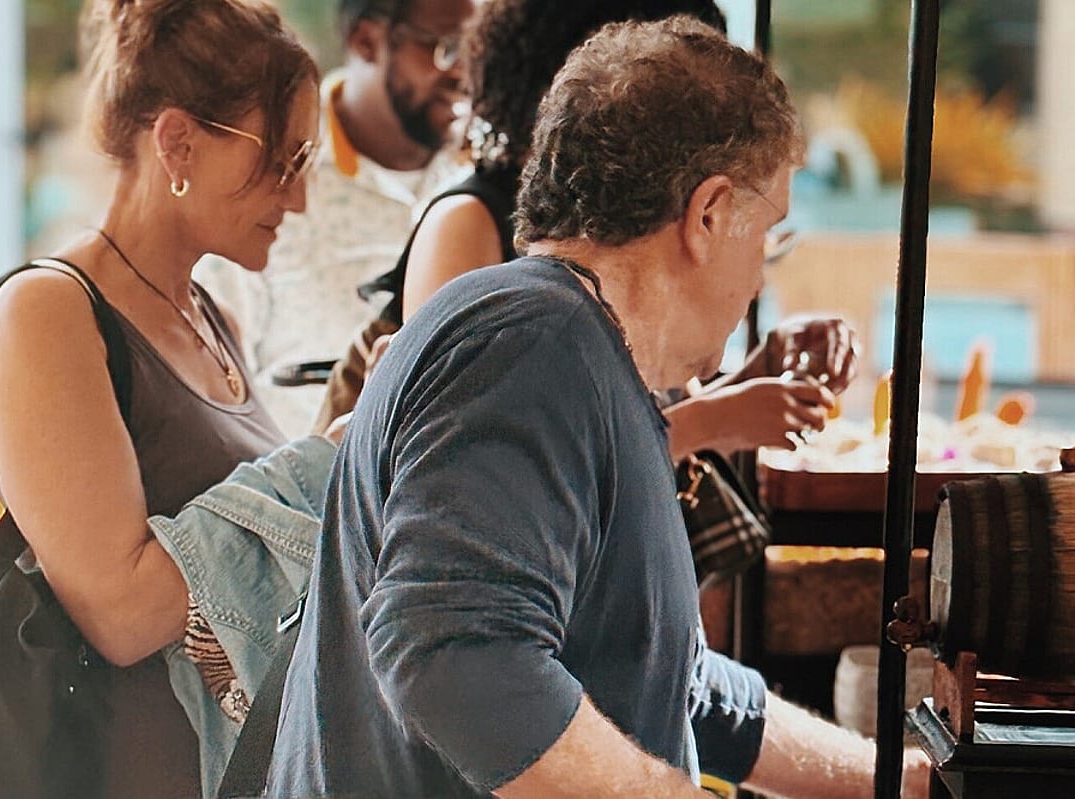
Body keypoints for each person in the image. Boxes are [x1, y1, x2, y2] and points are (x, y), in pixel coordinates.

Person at [268, 16, 929, 798]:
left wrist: (895, 780)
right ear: (709, 214)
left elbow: (674, 680)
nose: (762, 276)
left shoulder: (591, 357)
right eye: (769, 229)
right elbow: (453, 654)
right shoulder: (532, 341)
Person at [0, 1, 320, 796]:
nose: (296, 200)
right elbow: (121, 614)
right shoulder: (48, 312)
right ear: (177, 142)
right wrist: (320, 460)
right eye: (284, 160)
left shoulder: (213, 320)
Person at [313, 0, 856, 451]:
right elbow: (481, 461)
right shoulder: (473, 223)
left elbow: (617, 425)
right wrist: (715, 421)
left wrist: (750, 380)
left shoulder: (620, 240)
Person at [196, 0, 476, 436]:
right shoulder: (272, 174)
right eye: (443, 47)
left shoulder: (489, 178)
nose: (464, 72)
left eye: (476, 48)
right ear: (366, 40)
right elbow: (213, 406)